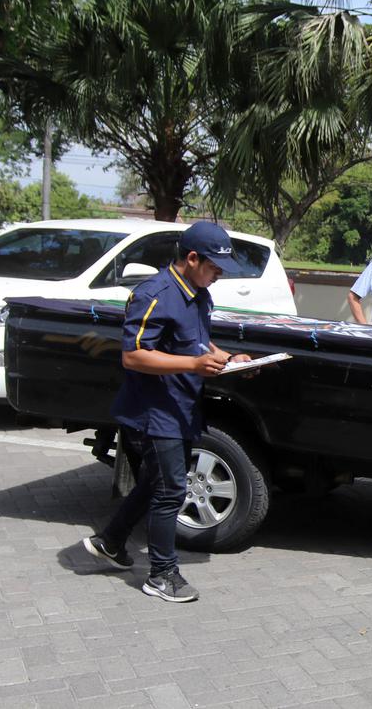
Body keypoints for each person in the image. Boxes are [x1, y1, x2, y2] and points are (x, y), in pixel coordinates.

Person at [82, 222, 253, 603]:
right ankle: (161, 574)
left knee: (155, 482)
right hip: (154, 411)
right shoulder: (153, 294)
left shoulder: (200, 294)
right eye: (215, 267)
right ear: (192, 258)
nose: (220, 274)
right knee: (171, 490)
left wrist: (229, 359)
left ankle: (110, 541)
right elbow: (133, 355)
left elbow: (197, 342)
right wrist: (193, 366)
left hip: (182, 405)